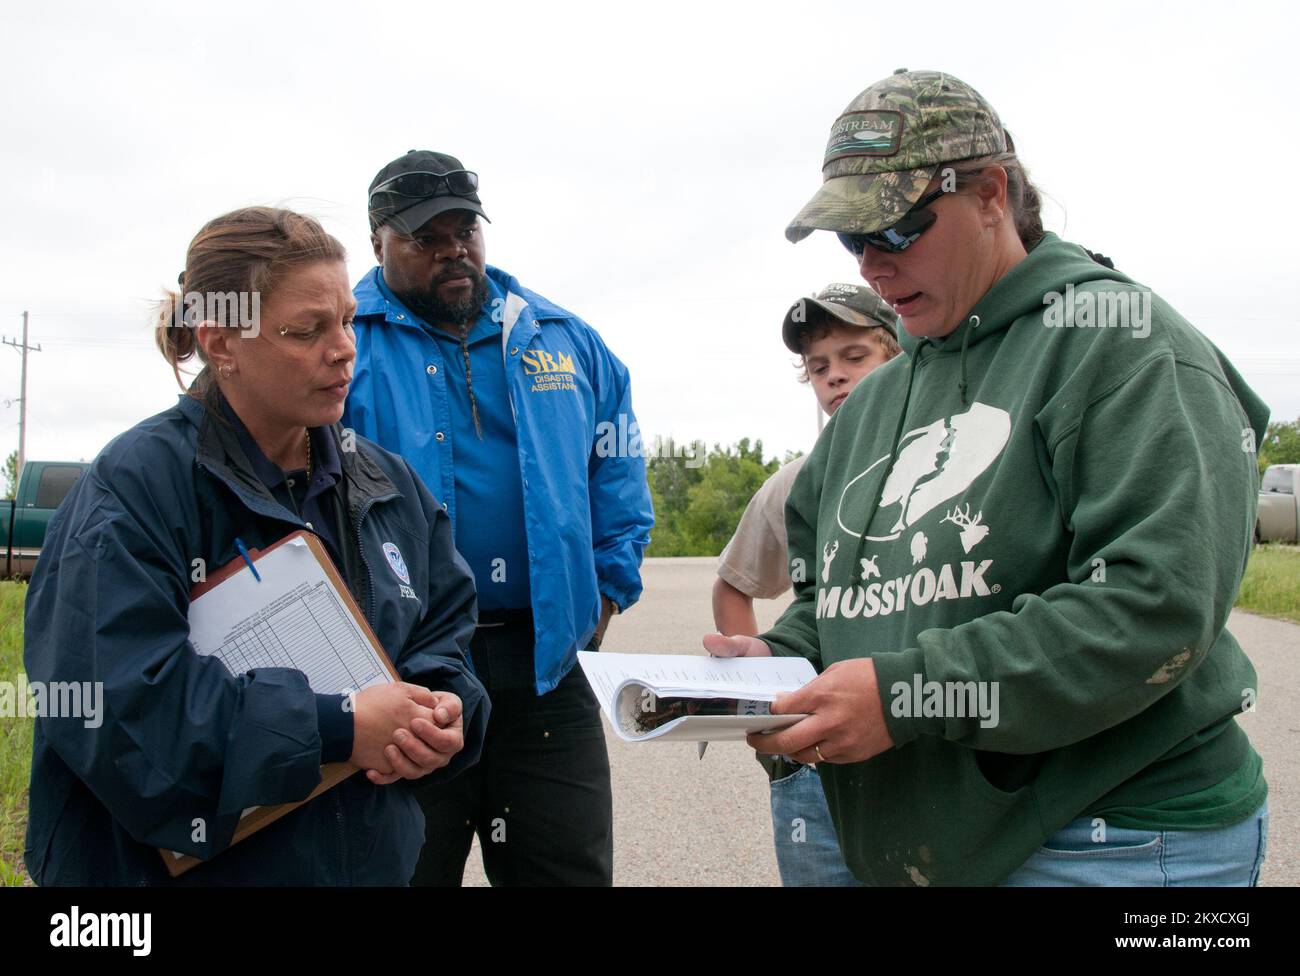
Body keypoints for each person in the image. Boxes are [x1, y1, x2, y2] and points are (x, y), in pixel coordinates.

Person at [706, 69, 1269, 886]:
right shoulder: (878, 400)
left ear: (993, 193)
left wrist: (909, 693)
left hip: (1115, 837)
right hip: (935, 834)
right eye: (850, 241)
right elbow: (838, 596)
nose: (871, 266)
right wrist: (777, 657)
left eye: (896, 231)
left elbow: (1156, 604)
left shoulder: (1121, 345)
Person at [23, 206, 488, 886]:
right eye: (307, 329)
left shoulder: (387, 483)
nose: (344, 348)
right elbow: (114, 706)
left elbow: (446, 637)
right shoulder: (133, 489)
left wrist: (445, 712)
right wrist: (341, 726)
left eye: (348, 320)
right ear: (221, 342)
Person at [344, 150, 654, 886]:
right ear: (378, 241)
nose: (454, 249)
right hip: (405, 675)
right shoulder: (343, 343)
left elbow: (617, 475)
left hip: (545, 670)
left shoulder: (562, 339)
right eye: (427, 237)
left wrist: (605, 597)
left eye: (466, 230)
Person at [712, 283, 898, 886]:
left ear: (899, 354)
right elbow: (733, 585)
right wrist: (767, 691)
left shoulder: (947, 458)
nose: (835, 378)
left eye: (855, 357)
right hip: (814, 760)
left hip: (919, 739)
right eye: (819, 367)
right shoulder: (795, 483)